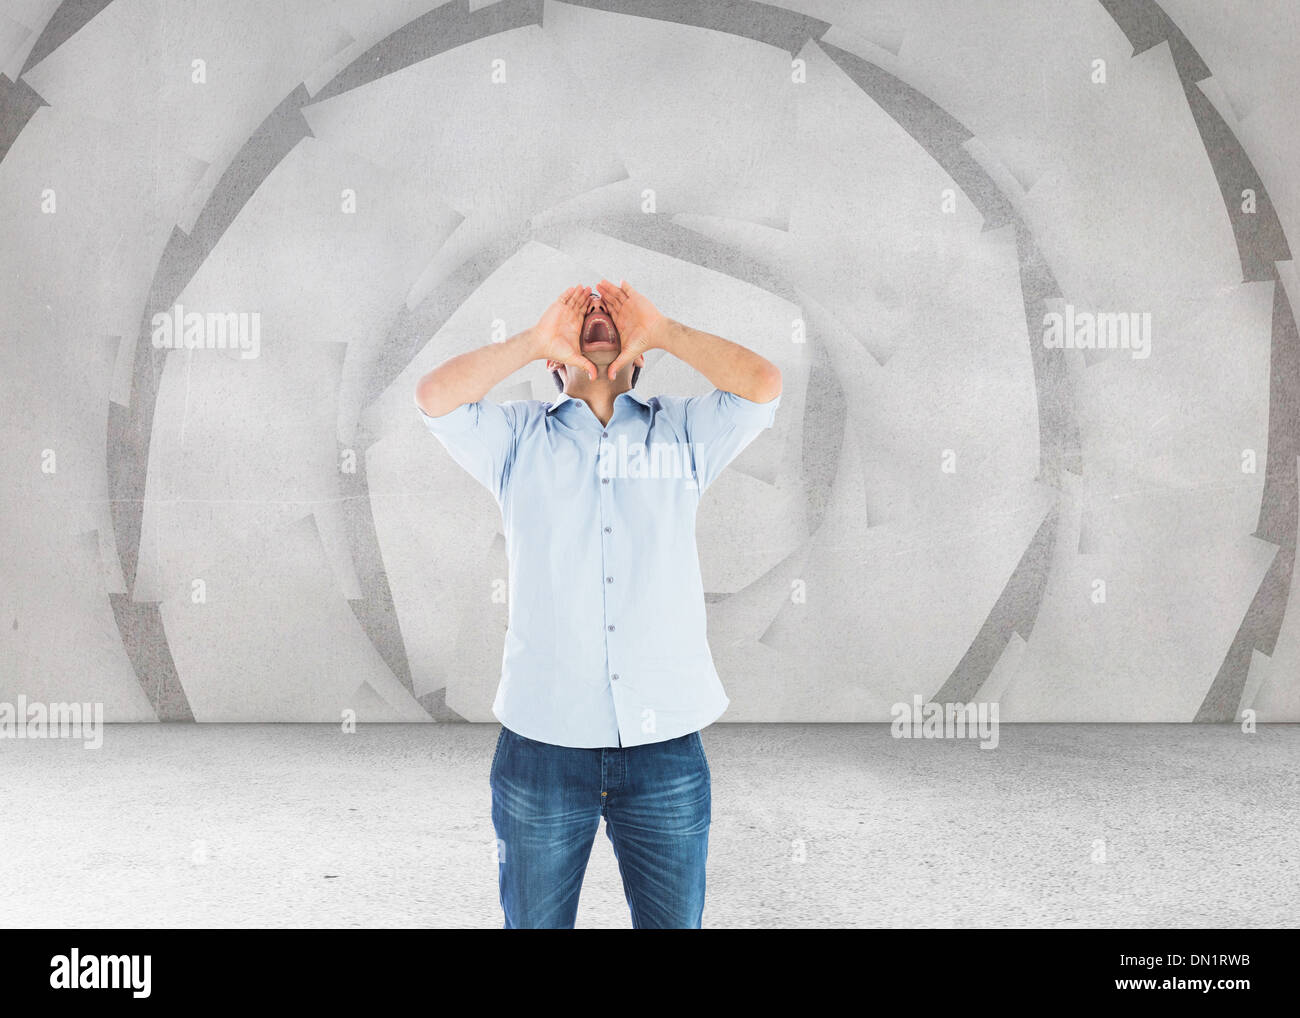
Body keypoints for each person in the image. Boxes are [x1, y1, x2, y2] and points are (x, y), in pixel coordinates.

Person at [414, 280, 782, 928]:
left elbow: (762, 384)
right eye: (582, 316)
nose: (598, 318)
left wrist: (663, 329)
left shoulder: (683, 434)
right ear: (557, 360)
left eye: (613, 314)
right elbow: (434, 398)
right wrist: (532, 341)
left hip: (665, 745)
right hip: (543, 750)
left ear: (639, 357)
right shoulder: (517, 440)